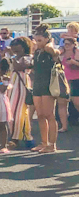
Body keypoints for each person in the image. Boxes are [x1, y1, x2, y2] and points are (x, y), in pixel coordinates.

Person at [31, 24, 59, 153]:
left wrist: (50, 42)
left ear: (47, 39)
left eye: (40, 40)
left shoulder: (49, 50)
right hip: (37, 84)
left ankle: (52, 144)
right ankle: (43, 142)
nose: (37, 43)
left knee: (49, 115)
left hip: (48, 85)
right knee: (40, 115)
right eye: (36, 40)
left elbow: (54, 52)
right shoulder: (37, 51)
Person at [7, 37, 33, 149]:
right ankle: (20, 136)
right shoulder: (13, 57)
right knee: (11, 111)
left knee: (19, 112)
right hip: (12, 85)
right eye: (13, 45)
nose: (13, 47)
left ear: (24, 46)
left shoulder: (28, 57)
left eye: (17, 45)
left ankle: (16, 138)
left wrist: (12, 56)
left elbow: (19, 67)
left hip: (21, 86)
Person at [57, 30, 79, 134]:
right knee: (62, 103)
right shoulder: (62, 54)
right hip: (63, 80)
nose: (66, 46)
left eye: (68, 44)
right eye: (64, 44)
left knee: (76, 102)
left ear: (74, 44)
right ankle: (64, 126)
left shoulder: (77, 52)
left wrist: (74, 61)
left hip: (75, 79)